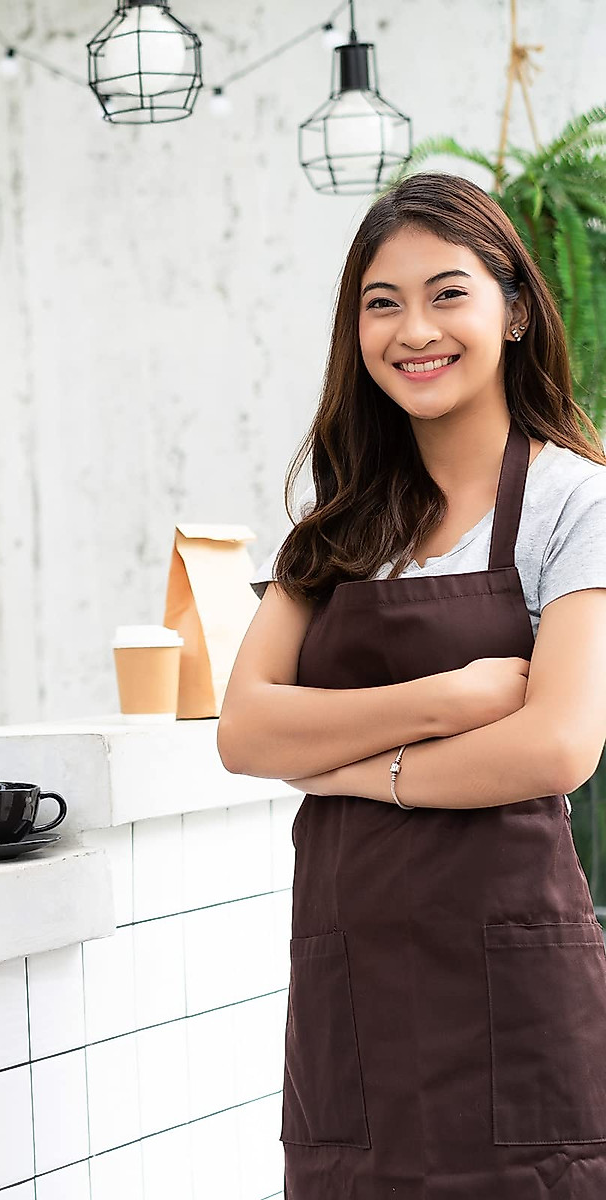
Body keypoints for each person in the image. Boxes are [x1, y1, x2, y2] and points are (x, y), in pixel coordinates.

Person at [217, 170, 606, 1197]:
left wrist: (354, 771)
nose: (412, 330)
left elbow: (557, 745)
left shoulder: (576, 501)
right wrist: (450, 702)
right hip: (353, 998)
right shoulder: (339, 526)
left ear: (514, 310)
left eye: (447, 294)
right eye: (380, 304)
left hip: (511, 996)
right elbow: (247, 730)